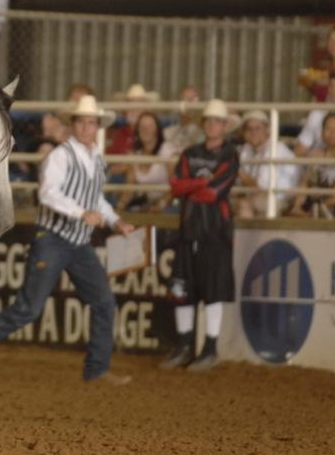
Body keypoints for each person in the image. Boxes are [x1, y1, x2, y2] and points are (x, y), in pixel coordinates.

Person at [0, 95, 134, 385]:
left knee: (104, 302)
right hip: (53, 238)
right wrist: (82, 213)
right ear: (74, 125)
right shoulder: (61, 156)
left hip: (77, 241)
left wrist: (116, 221)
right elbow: (49, 193)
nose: (89, 127)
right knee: (30, 308)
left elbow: (96, 199)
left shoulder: (97, 158)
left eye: (92, 123)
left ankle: (98, 369)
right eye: (84, 122)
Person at [161, 98, 238, 372]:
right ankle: (185, 346)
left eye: (216, 121)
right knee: (184, 288)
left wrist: (190, 186)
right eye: (208, 120)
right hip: (190, 228)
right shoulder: (191, 151)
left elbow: (213, 192)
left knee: (212, 289)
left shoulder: (230, 155)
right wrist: (201, 183)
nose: (212, 125)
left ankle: (209, 348)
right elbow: (176, 186)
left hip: (214, 232)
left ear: (224, 126)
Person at [289, 112, 335, 219]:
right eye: (328, 128)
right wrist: (297, 207)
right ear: (322, 133)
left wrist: (313, 213)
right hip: (311, 207)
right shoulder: (316, 154)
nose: (332, 133)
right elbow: (304, 184)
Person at [236, 110, 298, 218]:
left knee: (244, 205)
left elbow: (261, 187)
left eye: (258, 128)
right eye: (249, 129)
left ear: (267, 130)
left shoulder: (275, 149)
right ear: (244, 133)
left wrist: (238, 171)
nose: (253, 132)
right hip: (259, 195)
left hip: (279, 198)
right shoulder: (247, 149)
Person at [117, 112, 171, 213]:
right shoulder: (135, 156)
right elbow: (130, 187)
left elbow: (175, 185)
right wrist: (120, 206)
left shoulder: (167, 150)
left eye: (150, 126)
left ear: (157, 130)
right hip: (148, 205)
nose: (146, 130)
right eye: (142, 126)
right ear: (138, 130)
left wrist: (161, 205)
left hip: (169, 205)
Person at [162, 85, 205, 157]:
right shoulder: (167, 133)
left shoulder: (203, 132)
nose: (189, 104)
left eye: (192, 100)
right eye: (186, 100)